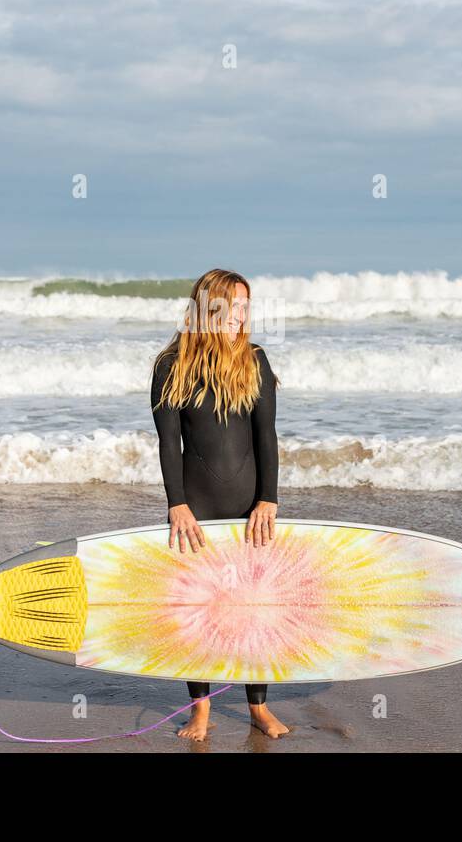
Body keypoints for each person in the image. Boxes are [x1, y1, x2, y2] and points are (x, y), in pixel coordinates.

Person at [150, 268, 289, 740]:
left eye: (246, 307)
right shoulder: (171, 366)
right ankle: (201, 711)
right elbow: (169, 444)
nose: (239, 317)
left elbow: (266, 438)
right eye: (230, 307)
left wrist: (268, 498)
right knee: (199, 609)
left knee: (256, 607)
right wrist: (177, 504)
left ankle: (258, 707)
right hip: (197, 508)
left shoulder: (255, 361)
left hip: (249, 503)